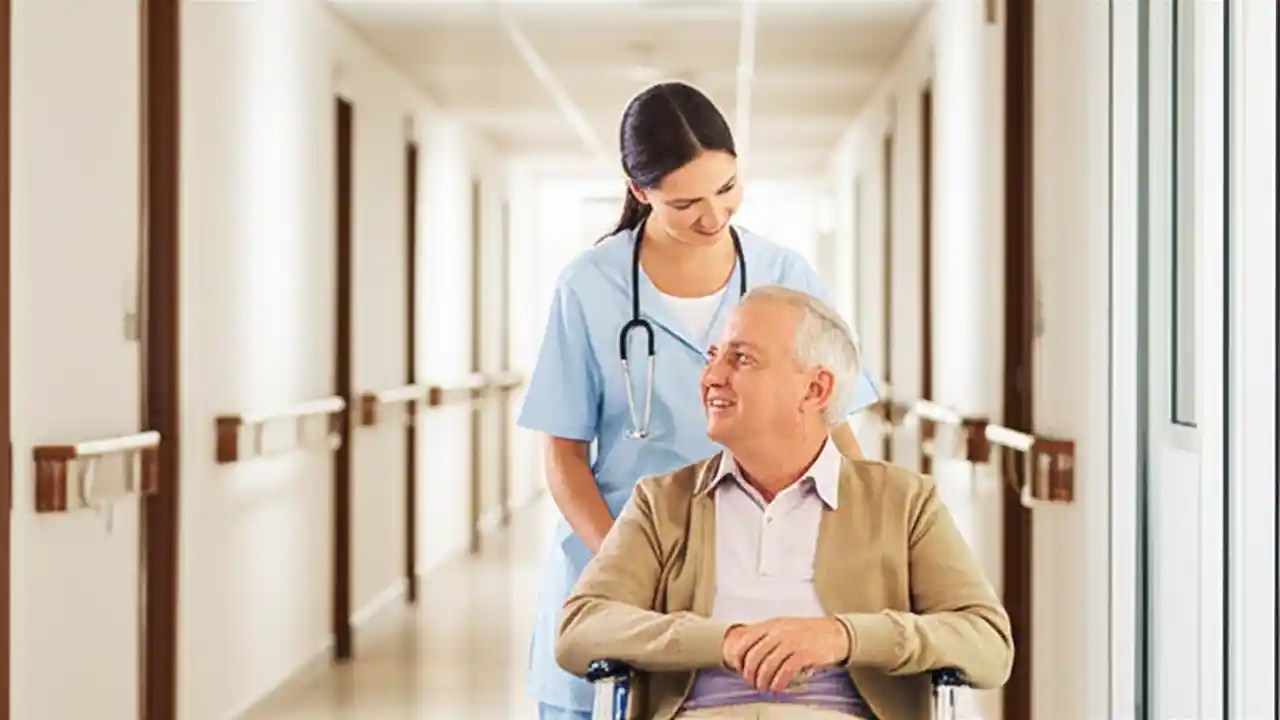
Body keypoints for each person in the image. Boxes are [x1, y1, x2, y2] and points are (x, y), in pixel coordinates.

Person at [517, 81, 881, 719]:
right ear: (639, 191)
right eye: (685, 202)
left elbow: (833, 425)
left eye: (727, 188)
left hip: (753, 572)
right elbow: (564, 454)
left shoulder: (782, 274)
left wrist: (878, 538)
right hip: (617, 563)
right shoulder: (589, 285)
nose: (713, 216)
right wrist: (626, 566)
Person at [554, 286, 1013, 720]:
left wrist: (844, 636)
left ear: (815, 390)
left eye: (742, 359)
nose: (712, 377)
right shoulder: (662, 501)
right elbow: (581, 627)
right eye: (713, 357)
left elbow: (987, 642)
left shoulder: (905, 502)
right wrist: (725, 641)